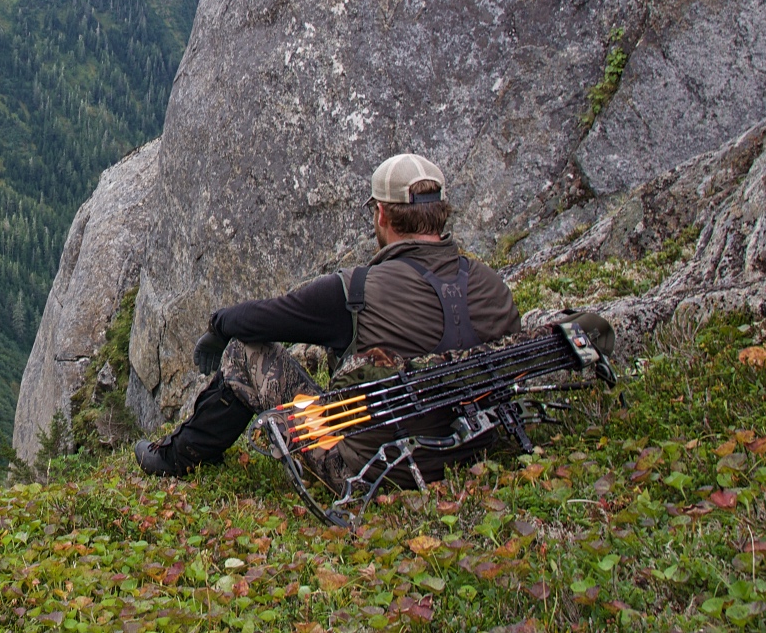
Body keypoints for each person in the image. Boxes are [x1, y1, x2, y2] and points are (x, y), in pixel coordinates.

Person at [134, 153, 521, 490]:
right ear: (440, 213)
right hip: (475, 446)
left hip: (372, 467)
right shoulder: (491, 286)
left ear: (382, 213)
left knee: (243, 351)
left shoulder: (355, 292)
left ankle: (180, 456)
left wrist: (218, 328)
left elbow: (258, 319)